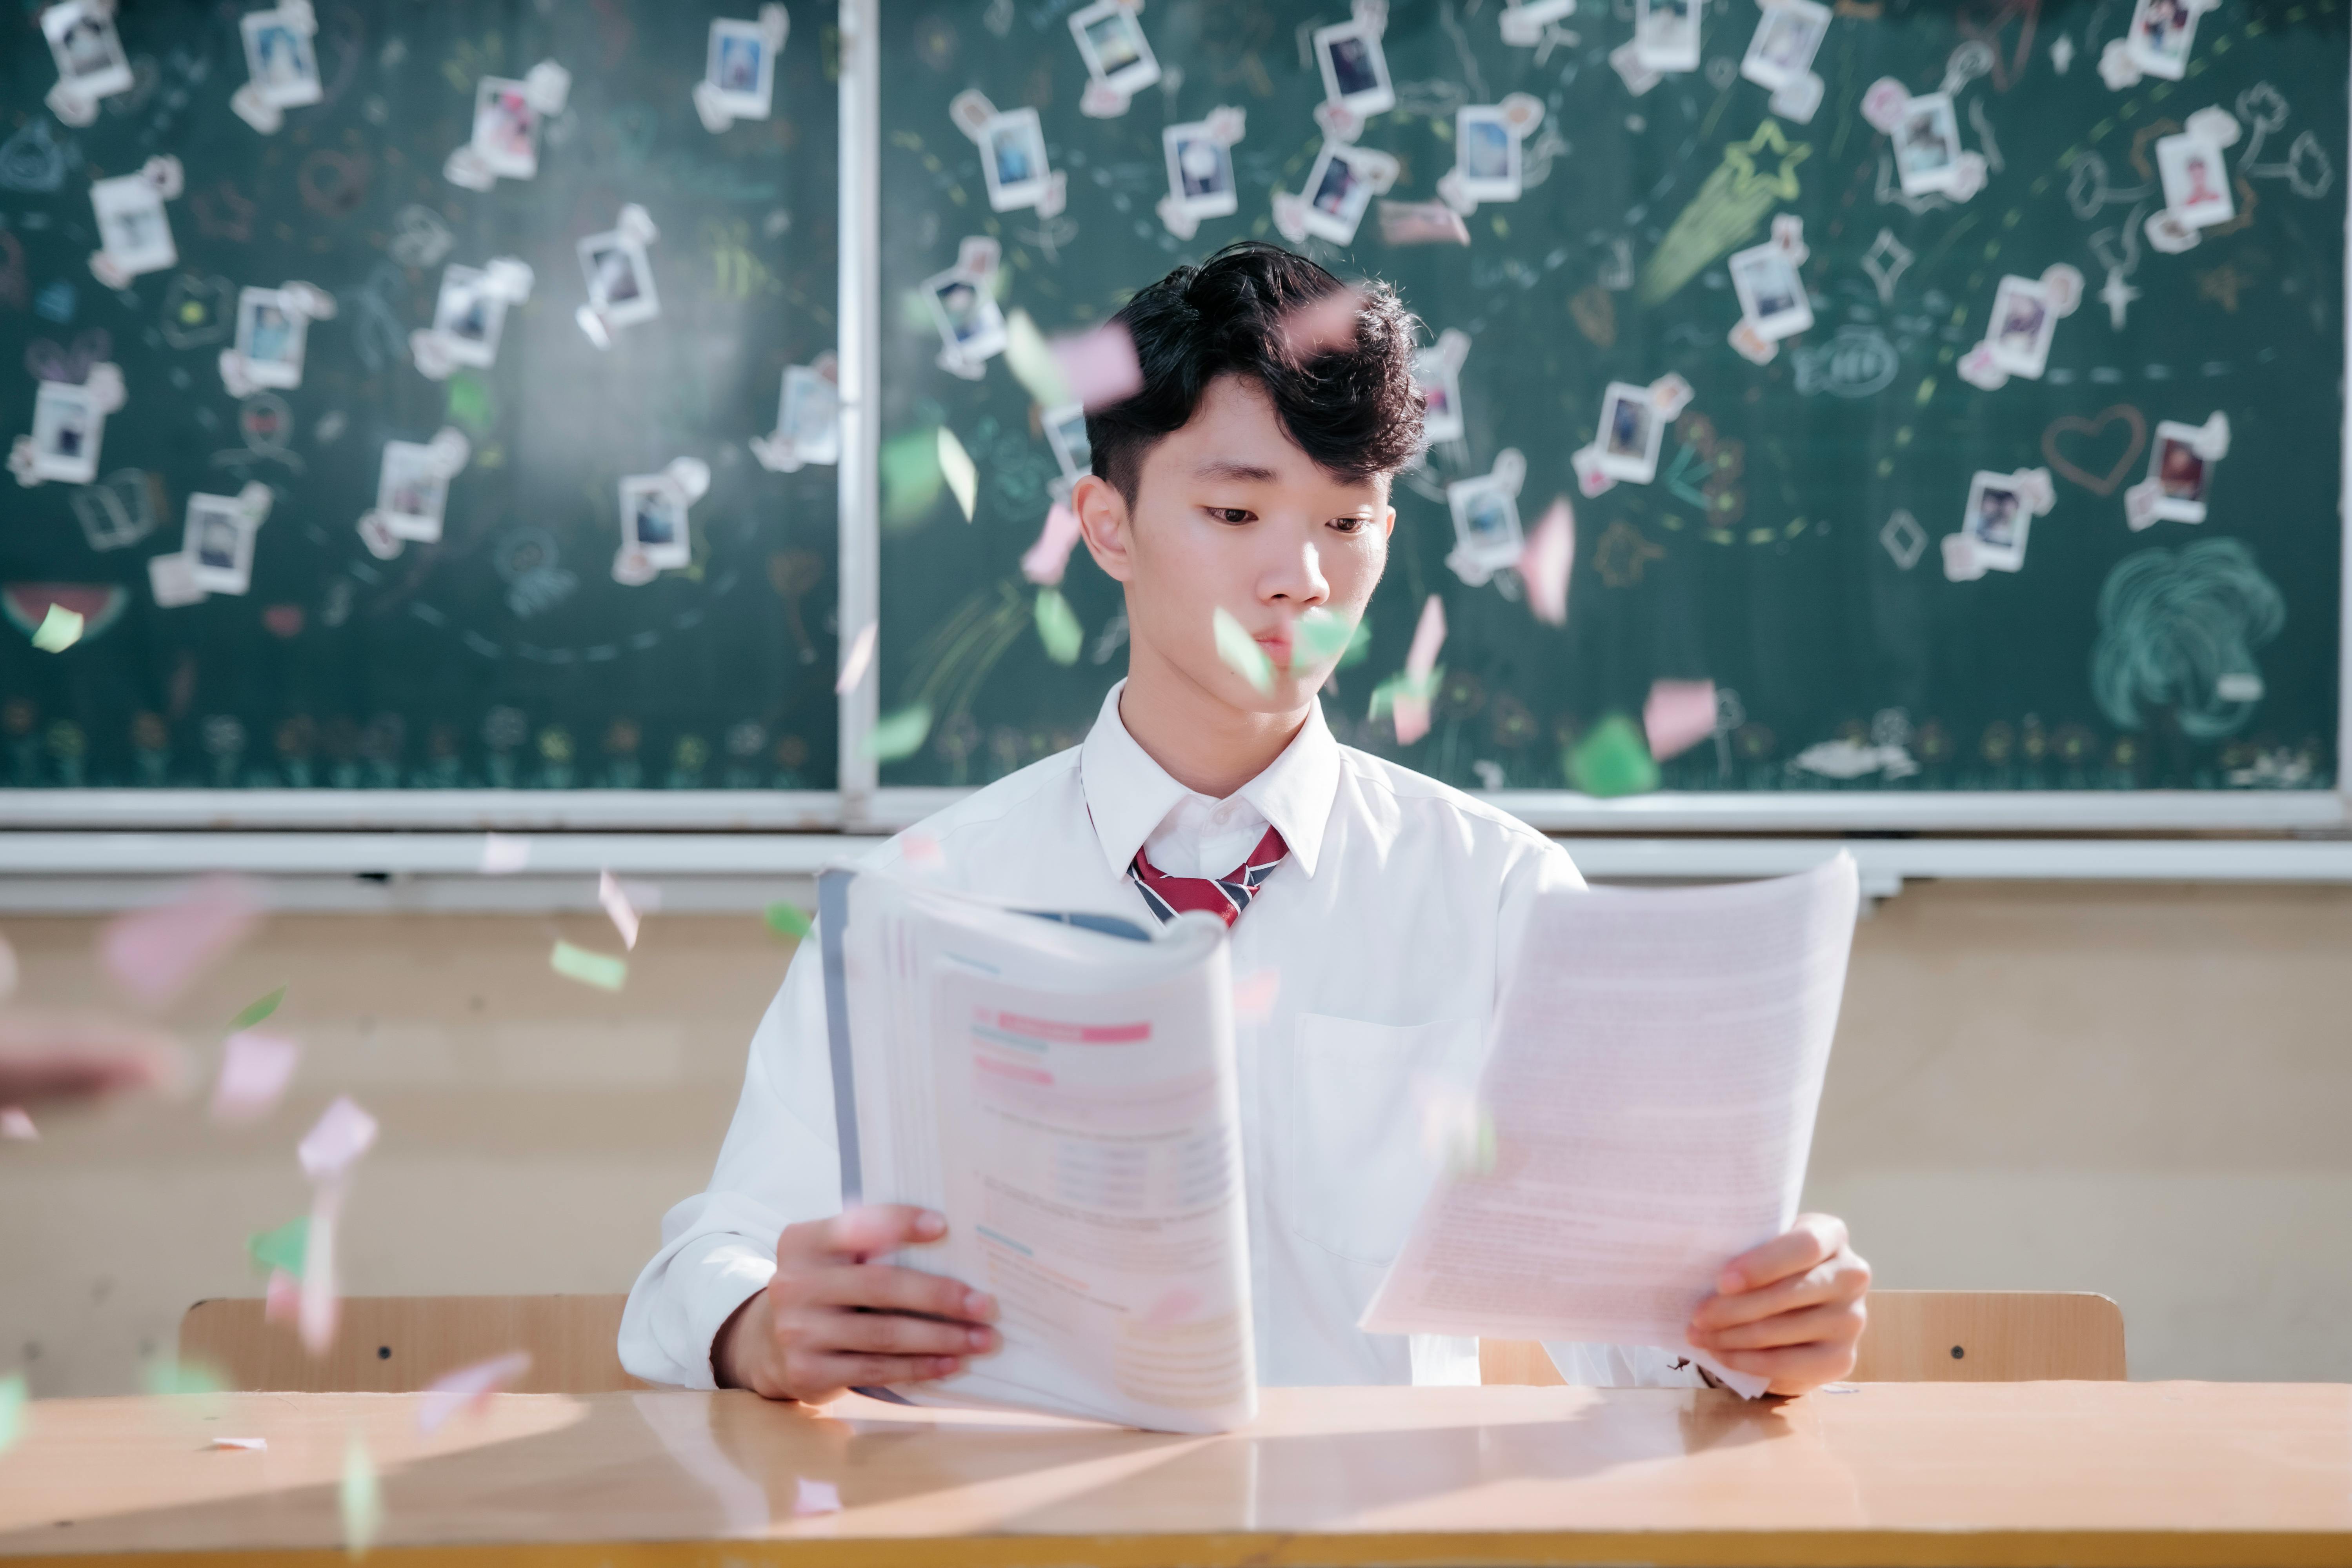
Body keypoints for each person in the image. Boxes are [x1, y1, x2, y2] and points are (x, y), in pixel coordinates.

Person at [618, 241, 1869, 1405]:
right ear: (1107, 526)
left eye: (1348, 518)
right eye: (1235, 513)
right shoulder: (924, 895)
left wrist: (1743, 1337)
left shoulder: (1497, 893)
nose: (1303, 579)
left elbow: (1635, 1334)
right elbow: (702, 1266)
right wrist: (764, 1329)